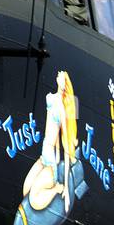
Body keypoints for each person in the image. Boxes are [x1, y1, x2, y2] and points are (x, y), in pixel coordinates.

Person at [22, 71, 78, 212]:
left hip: (50, 159)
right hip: (44, 153)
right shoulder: (50, 98)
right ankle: (54, 187)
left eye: (62, 77)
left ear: (64, 84)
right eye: (59, 75)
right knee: (25, 191)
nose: (58, 76)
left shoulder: (63, 109)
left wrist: (65, 185)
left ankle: (57, 189)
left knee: (34, 201)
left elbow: (64, 145)